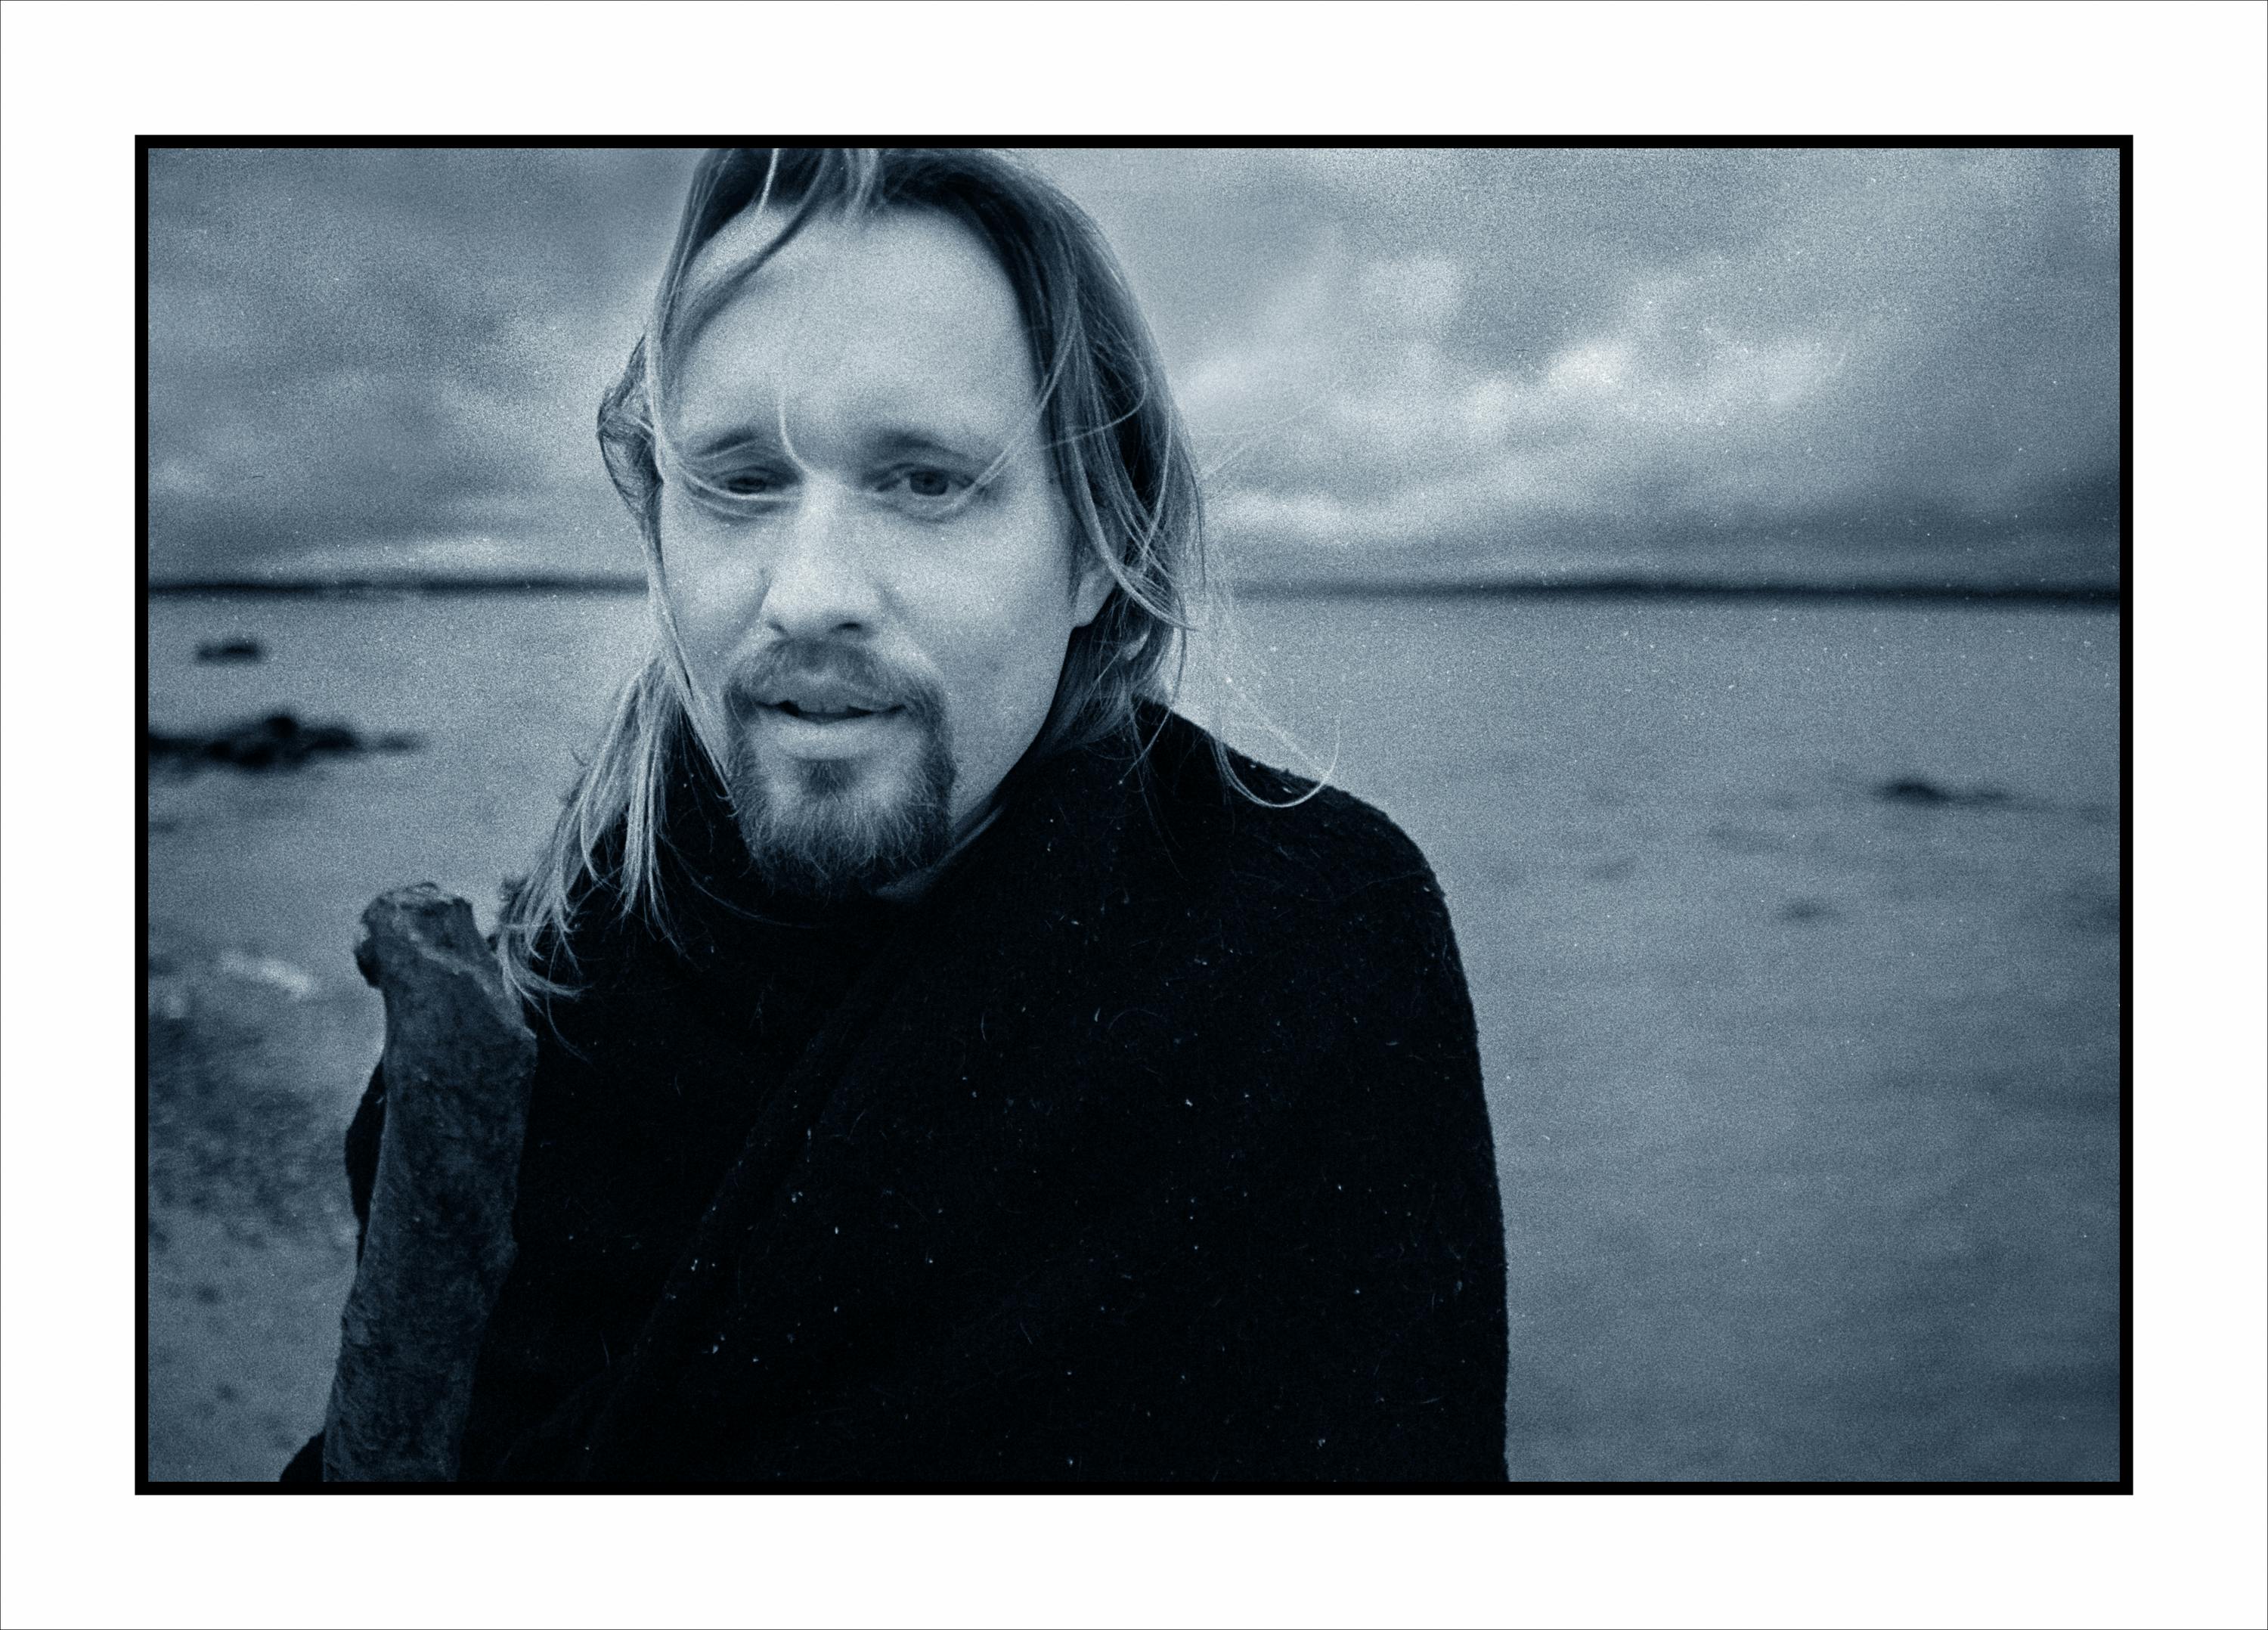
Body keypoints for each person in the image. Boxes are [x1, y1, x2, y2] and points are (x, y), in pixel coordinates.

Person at [287, 147, 1506, 1483]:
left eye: (924, 481)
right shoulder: (532, 1011)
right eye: (739, 481)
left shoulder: (1313, 950)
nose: (807, 594)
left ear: (1097, 546)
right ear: (660, 531)